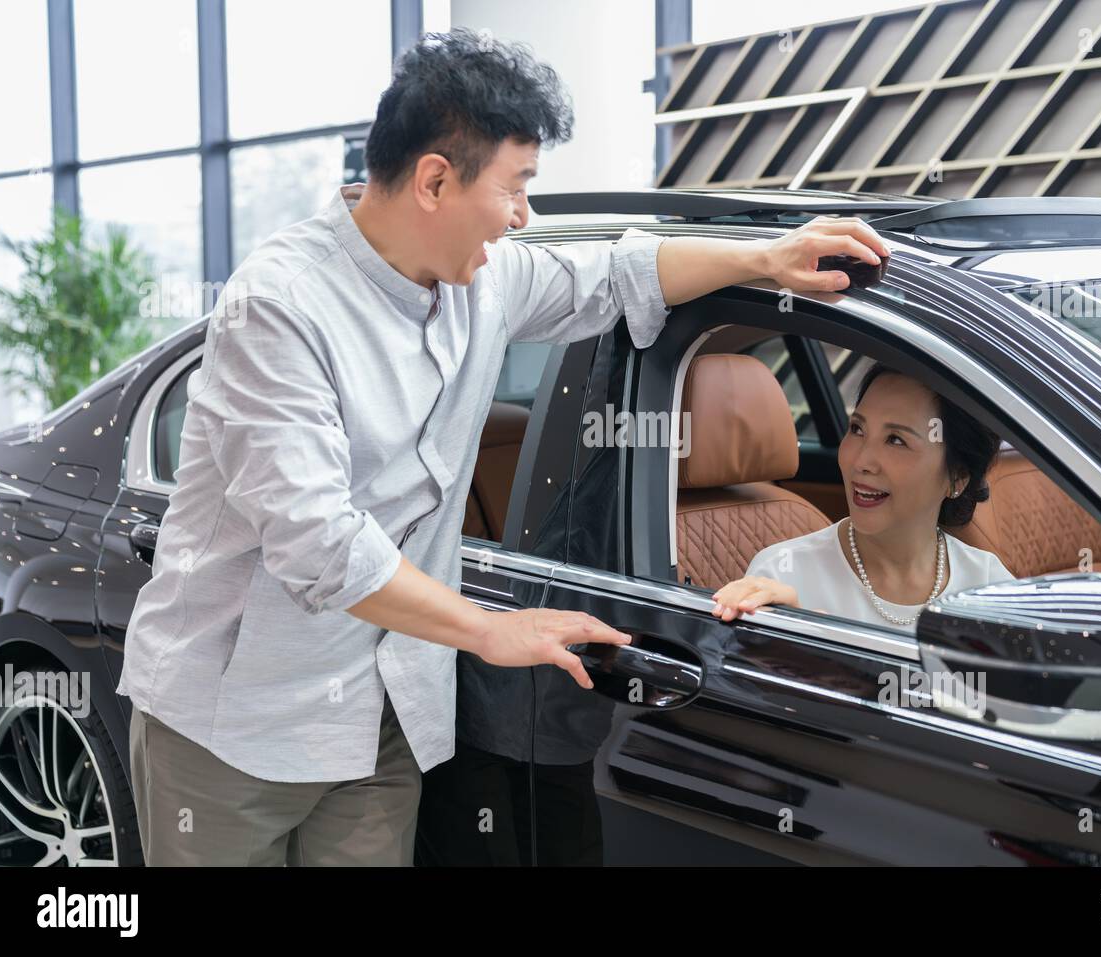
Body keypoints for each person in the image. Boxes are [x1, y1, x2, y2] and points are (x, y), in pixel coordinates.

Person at [118, 28, 890, 865]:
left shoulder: (478, 282)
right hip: (236, 726)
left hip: (382, 716)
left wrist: (769, 257)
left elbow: (614, 275)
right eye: (517, 186)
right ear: (435, 180)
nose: (525, 215)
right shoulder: (278, 307)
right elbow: (318, 547)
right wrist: (490, 630)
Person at [712, 363, 1014, 632]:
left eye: (896, 440)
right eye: (857, 429)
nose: (861, 462)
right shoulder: (782, 576)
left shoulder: (990, 587)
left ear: (958, 476)